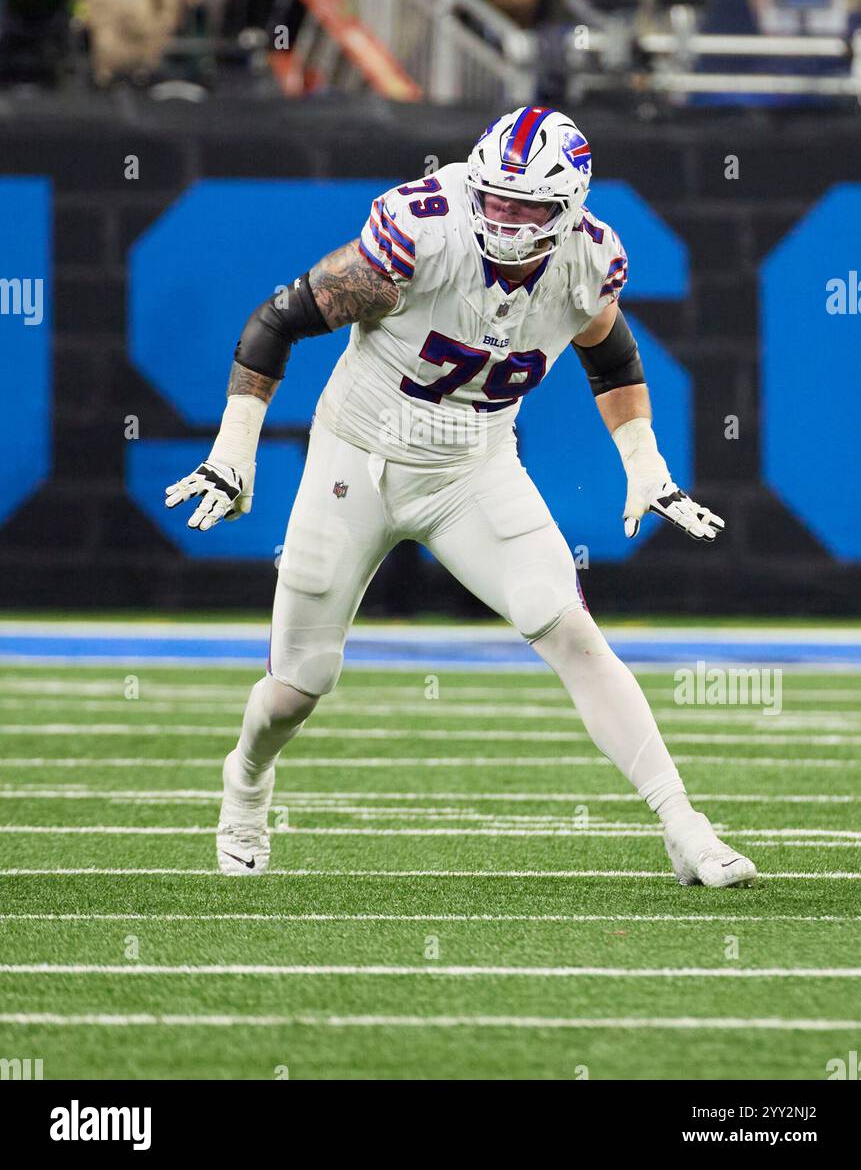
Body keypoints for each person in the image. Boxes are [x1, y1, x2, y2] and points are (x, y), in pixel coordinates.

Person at [165, 104, 757, 892]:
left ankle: (684, 827)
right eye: (496, 199)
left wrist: (642, 461)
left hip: (473, 469)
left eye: (527, 205)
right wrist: (233, 452)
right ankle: (244, 782)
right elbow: (277, 321)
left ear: (570, 207)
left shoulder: (586, 260)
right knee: (298, 687)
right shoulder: (420, 234)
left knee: (572, 633)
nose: (506, 219)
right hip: (357, 459)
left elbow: (610, 354)